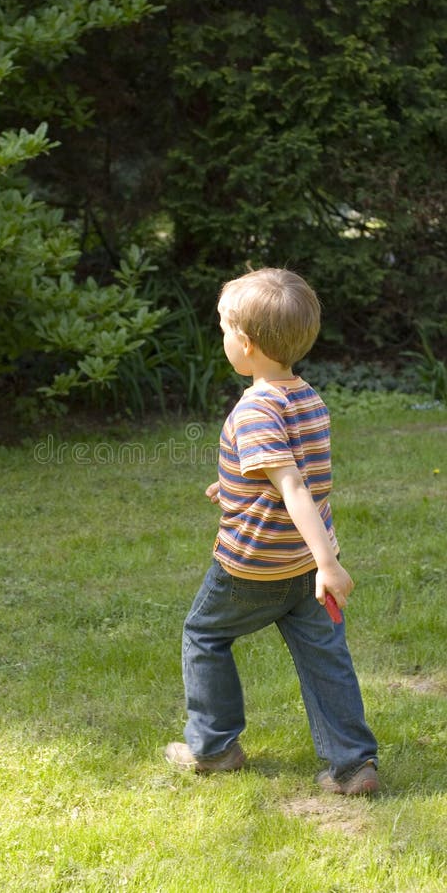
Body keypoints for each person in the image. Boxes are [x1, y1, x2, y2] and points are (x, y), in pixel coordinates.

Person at [165, 268, 379, 795]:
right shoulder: (306, 397)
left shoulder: (256, 406)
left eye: (222, 328)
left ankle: (213, 748)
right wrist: (235, 484)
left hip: (254, 565)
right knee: (325, 655)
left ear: (247, 343)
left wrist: (329, 563)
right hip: (305, 569)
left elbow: (293, 487)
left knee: (205, 634)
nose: (221, 338)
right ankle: (353, 765)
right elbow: (288, 469)